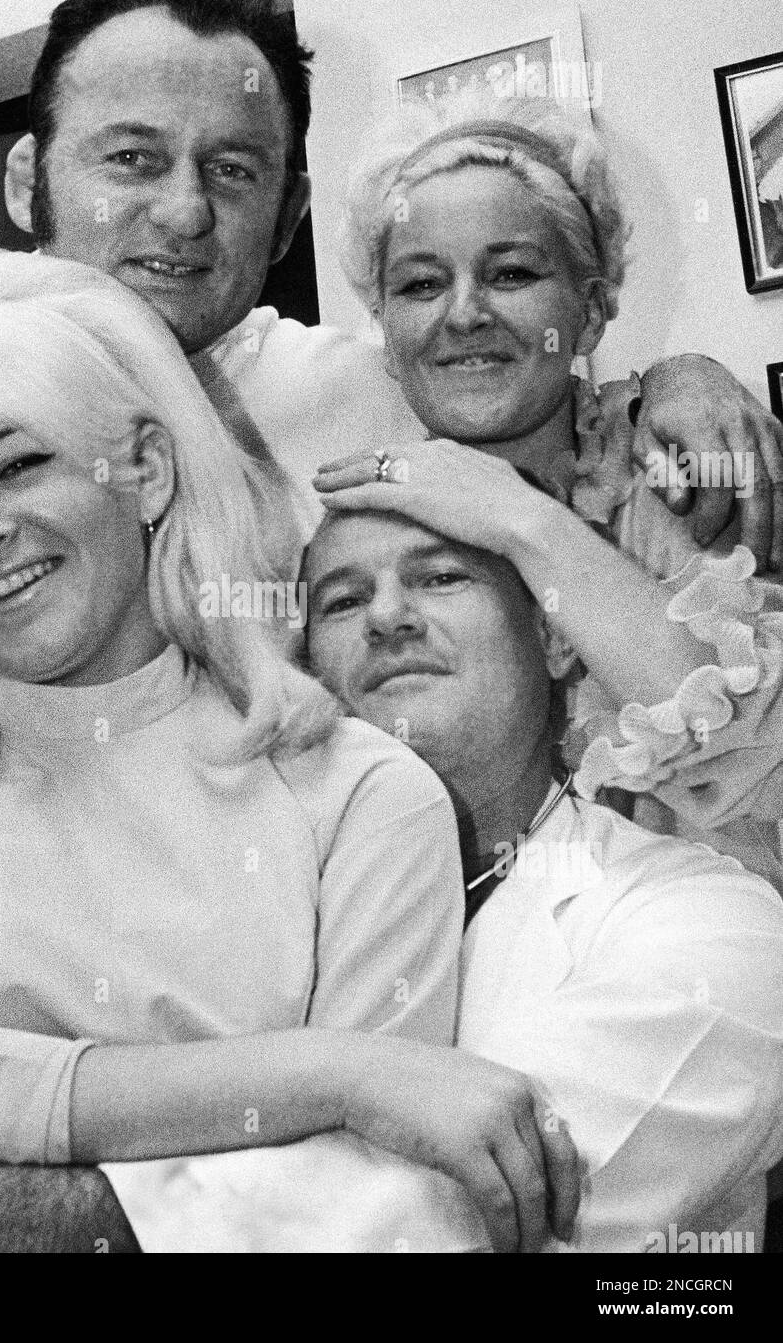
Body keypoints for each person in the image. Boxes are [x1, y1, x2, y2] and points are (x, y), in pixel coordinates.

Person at [0, 0, 780, 893]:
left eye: (232, 170)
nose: (185, 211)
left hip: (309, 982)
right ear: (25, 179)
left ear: (288, 216)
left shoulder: (371, 400)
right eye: (132, 158)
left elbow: (527, 407)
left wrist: (675, 385)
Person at [0, 250, 583, 1256]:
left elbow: (360, 1207)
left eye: (18, 464)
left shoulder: (363, 794)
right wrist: (332, 1073)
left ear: (148, 470)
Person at [85, 489, 781, 1253]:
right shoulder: (230, 895)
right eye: (343, 600)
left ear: (553, 641)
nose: (388, 617)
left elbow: (425, 1214)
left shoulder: (707, 924)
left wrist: (14, 1216)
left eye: (441, 578)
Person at [327, 89, 783, 883]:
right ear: (385, 330)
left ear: (593, 309)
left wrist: (520, 520)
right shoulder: (362, 523)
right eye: (420, 285)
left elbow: (762, 759)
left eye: (510, 273)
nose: (464, 314)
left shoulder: (684, 474)